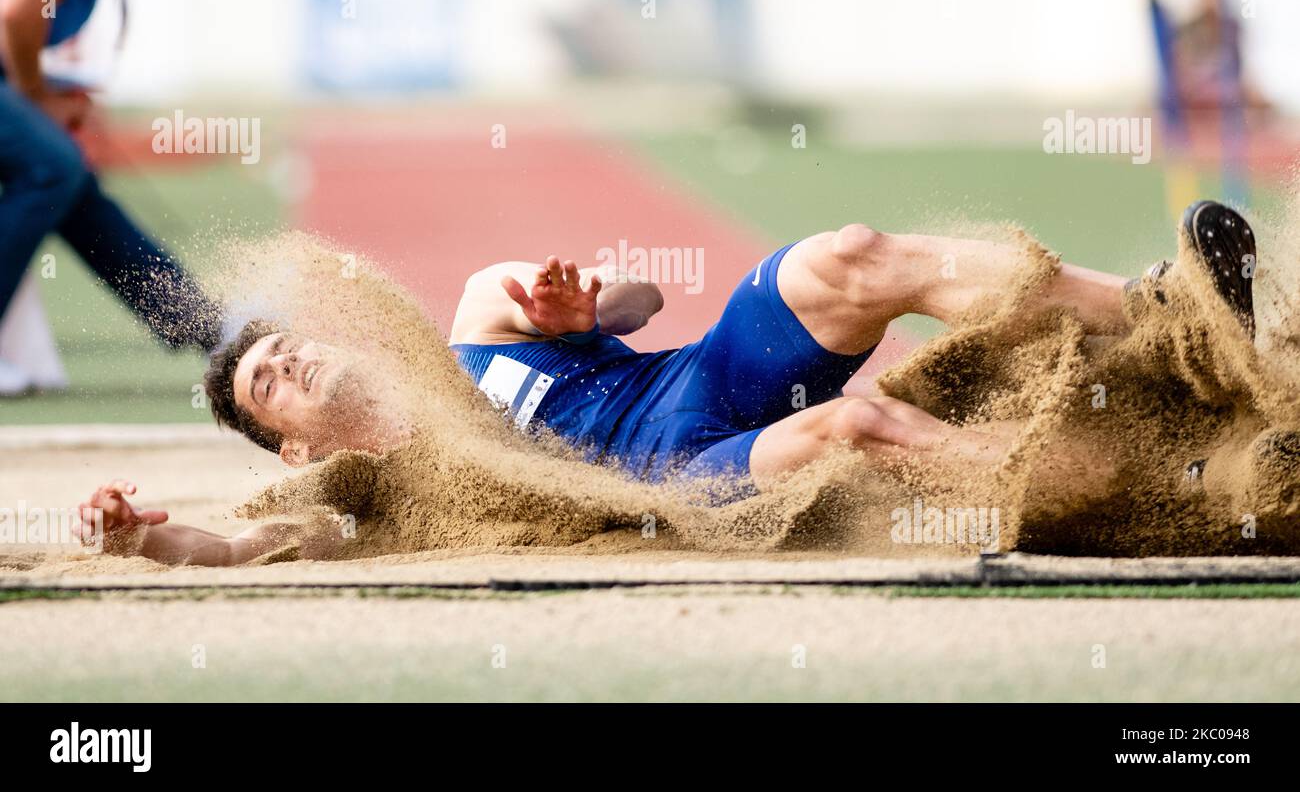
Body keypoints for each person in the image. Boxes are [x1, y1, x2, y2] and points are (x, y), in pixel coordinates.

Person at [75, 200, 1258, 565]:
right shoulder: (370, 486)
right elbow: (231, 554)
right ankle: (1160, 492)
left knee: (844, 255)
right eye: (270, 382)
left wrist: (590, 308)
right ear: (288, 443)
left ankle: (1177, 319)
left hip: (695, 375)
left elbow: (638, 306)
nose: (290, 356)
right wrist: (142, 536)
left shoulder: (477, 320)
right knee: (856, 421)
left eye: (283, 341)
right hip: (680, 475)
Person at [0, 0, 225, 395]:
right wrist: (36, 97)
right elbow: (16, 12)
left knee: (65, 179)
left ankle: (202, 322)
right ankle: (203, 322)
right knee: (52, 167)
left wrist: (45, 92)